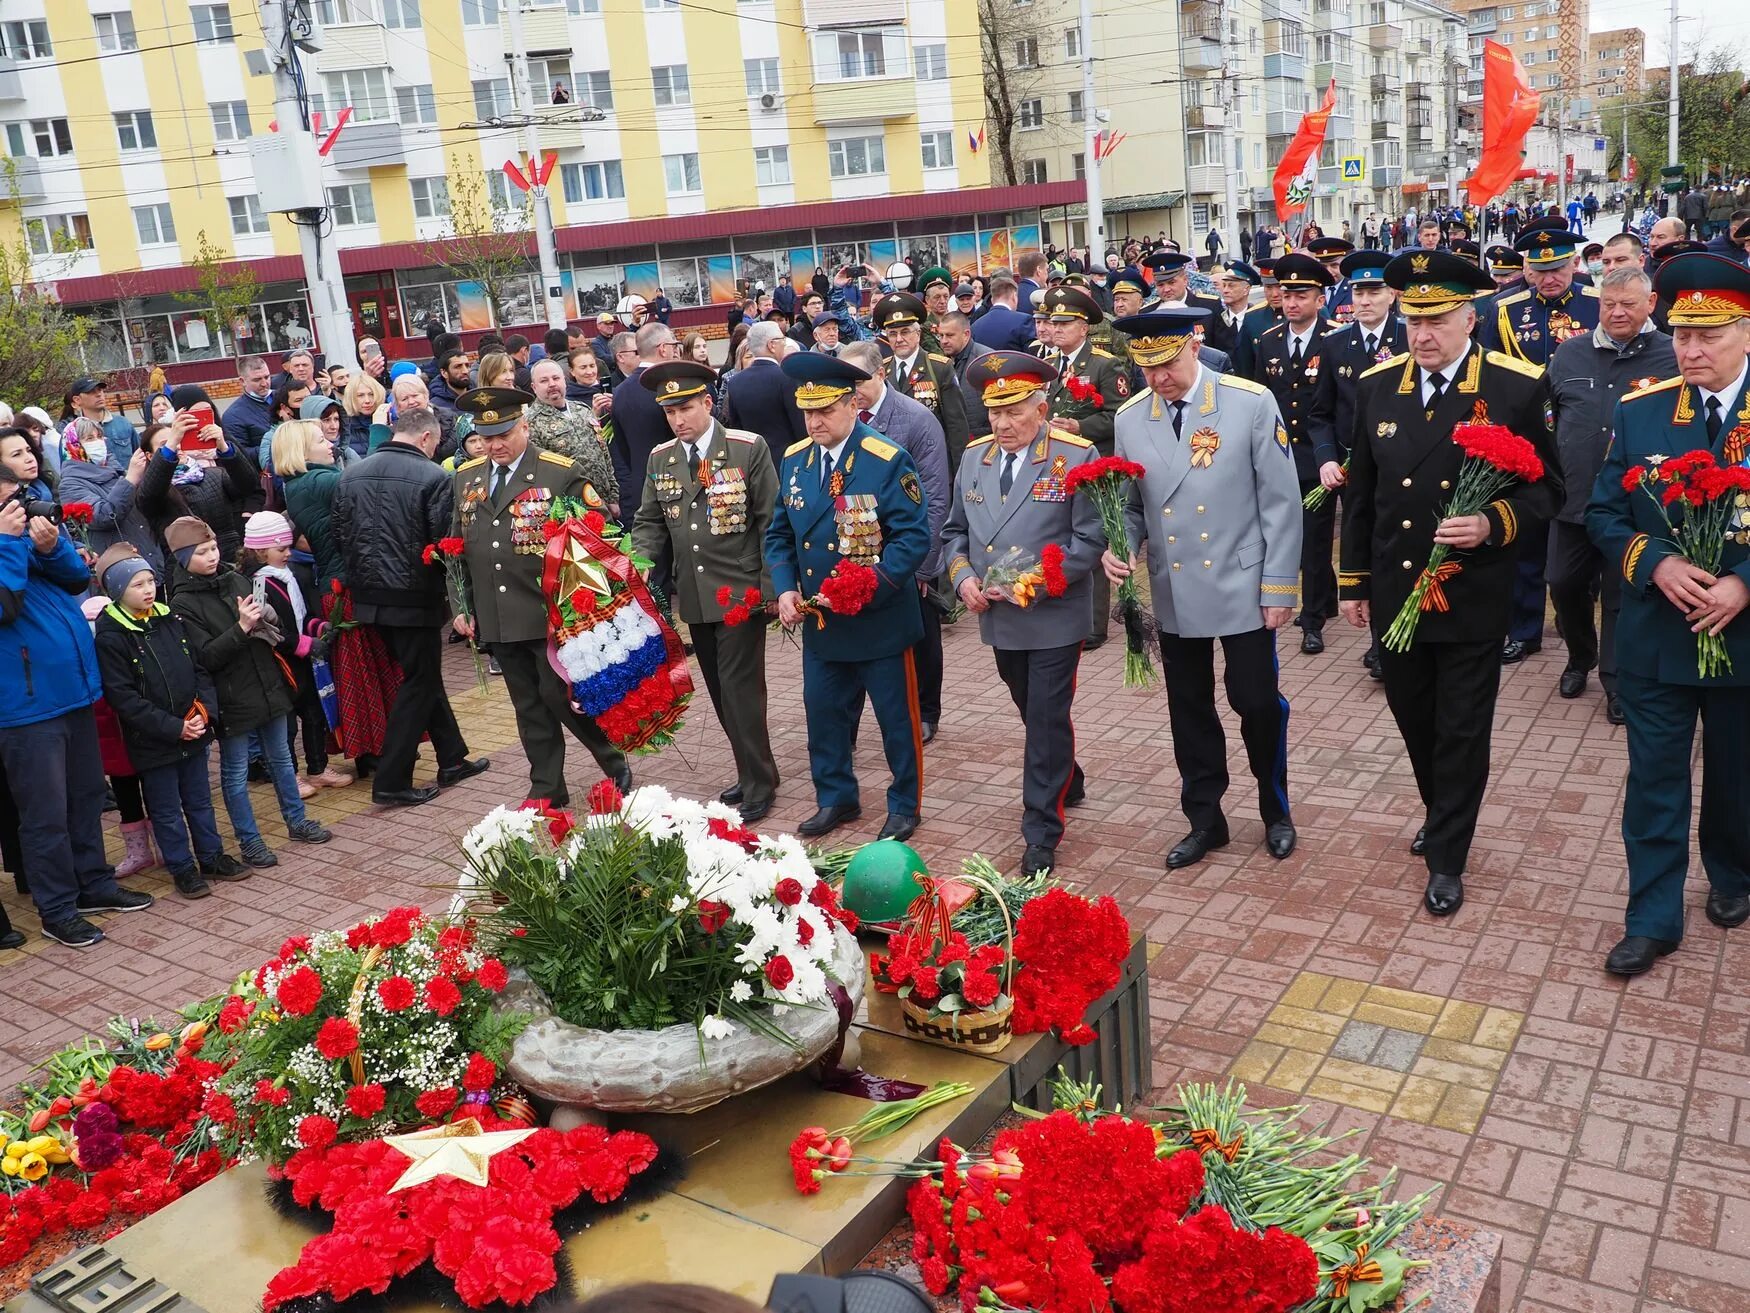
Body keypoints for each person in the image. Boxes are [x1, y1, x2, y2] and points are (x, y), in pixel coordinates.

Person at [1338, 251, 1562, 918]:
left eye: (1437, 319)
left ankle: (1448, 855)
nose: (1423, 334)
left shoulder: (1515, 387)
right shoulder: (1379, 386)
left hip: (1470, 593)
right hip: (1398, 590)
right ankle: (1442, 813)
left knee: (1461, 728)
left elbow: (1549, 490)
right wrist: (1353, 583)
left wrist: (1493, 523)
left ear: (1471, 316)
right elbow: (1363, 493)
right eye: (1414, 320)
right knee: (1414, 718)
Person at [1586, 251, 1750, 976]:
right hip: (1657, 635)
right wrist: (1654, 561)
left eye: (1708, 335)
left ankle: (1733, 872)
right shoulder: (1643, 409)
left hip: (1742, 635)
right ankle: (1652, 915)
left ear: (1747, 332)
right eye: (1682, 334)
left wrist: (1745, 581)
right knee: (1654, 780)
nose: (1689, 350)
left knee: (1737, 775)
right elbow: (1603, 511)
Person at [1101, 309, 1300, 868]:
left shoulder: (1249, 401)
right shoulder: (1131, 417)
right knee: (1188, 709)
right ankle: (1205, 819)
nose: (1159, 379)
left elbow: (1281, 502)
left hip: (1242, 580)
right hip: (1175, 586)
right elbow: (1131, 500)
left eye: (1167, 364)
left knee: (1256, 701)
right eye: (1147, 369)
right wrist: (1121, 541)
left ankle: (1274, 807)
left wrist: (1279, 587)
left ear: (1194, 344)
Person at [943, 352, 1104, 875]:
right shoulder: (974, 457)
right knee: (1030, 705)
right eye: (994, 412)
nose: (1003, 425)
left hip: (1054, 613)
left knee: (1044, 716)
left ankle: (1040, 829)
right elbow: (953, 532)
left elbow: (1089, 539)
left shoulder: (1075, 456)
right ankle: (1067, 775)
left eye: (1014, 411)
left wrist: (1032, 582)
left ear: (1042, 407)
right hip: (998, 617)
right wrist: (963, 575)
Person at [764, 352, 930, 841]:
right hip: (822, 622)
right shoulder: (796, 460)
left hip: (878, 621)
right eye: (807, 411)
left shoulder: (884, 459)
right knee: (824, 716)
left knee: (896, 723)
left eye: (826, 410)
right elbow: (779, 534)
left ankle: (904, 804)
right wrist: (787, 587)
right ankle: (836, 798)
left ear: (853, 405)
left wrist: (868, 586)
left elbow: (912, 538)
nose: (814, 421)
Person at [448, 387, 629, 809]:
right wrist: (461, 607)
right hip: (498, 613)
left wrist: (583, 606)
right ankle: (546, 786)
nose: (495, 445)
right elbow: (456, 548)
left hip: (550, 613)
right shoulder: (467, 477)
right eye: (487, 436)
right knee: (527, 705)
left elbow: (598, 538)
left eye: (504, 434)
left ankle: (612, 760)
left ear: (524, 426)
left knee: (561, 696)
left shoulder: (557, 472)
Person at [0, 482, 155, 947]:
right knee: (45, 815)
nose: (18, 506)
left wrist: (48, 547)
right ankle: (57, 908)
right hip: (25, 709)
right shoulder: (7, 542)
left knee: (86, 797)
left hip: (73, 694)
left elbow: (73, 580)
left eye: (18, 496)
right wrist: (7, 543)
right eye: (7, 497)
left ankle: (94, 884)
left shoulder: (24, 535)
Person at [629, 362, 779, 820]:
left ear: (708, 404)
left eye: (687, 408)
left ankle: (760, 782)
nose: (679, 419)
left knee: (740, 691)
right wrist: (634, 570)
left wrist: (771, 586)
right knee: (718, 690)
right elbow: (650, 522)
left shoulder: (745, 449)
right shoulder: (662, 458)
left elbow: (770, 520)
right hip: (694, 595)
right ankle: (750, 770)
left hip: (738, 593)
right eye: (670, 411)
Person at [330, 408, 488, 807]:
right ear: (425, 439)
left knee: (423, 676)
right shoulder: (433, 477)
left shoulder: (351, 475)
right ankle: (392, 779)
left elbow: (341, 534)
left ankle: (452, 757)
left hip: (369, 596)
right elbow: (441, 544)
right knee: (417, 683)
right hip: (414, 597)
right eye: (435, 444)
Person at [1546, 266, 1675, 724]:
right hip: (1573, 498)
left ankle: (1617, 682)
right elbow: (1549, 416)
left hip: (1635, 504)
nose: (1617, 312)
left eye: (1628, 304)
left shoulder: (1670, 355)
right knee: (1562, 583)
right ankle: (1580, 656)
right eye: (1608, 304)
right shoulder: (1570, 353)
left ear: (1651, 304)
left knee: (1621, 594)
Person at [167, 514, 332, 869]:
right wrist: (242, 627)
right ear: (183, 560)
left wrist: (266, 618)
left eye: (213, 548)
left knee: (283, 759)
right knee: (236, 773)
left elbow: (266, 628)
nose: (211, 557)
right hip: (231, 696)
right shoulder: (182, 603)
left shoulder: (236, 579)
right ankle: (250, 840)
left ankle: (297, 820)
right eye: (201, 553)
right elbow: (207, 656)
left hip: (266, 682)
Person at [92, 544, 246, 901]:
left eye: (150, 582)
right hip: (154, 741)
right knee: (166, 810)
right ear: (116, 591)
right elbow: (124, 698)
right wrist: (173, 727)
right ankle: (182, 868)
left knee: (200, 800)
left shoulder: (168, 618)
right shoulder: (112, 635)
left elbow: (198, 669)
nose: (148, 590)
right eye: (137, 585)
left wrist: (203, 713)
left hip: (193, 729)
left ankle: (210, 857)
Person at [841, 340, 951, 743]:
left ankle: (925, 711)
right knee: (850, 639)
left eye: (860, 380)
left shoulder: (915, 420)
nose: (852, 389)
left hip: (906, 552)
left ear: (882, 373)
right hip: (853, 547)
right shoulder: (843, 417)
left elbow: (937, 497)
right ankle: (846, 725)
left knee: (921, 638)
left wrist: (922, 565)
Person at [1248, 254, 1337, 653]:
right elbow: (1255, 399)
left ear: (1320, 298)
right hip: (1277, 455)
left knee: (1314, 540)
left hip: (1320, 457)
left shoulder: (1336, 338)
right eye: (1286, 295)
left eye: (1301, 295)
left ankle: (1313, 618)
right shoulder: (1266, 341)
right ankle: (1325, 599)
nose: (1292, 303)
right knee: (1282, 533)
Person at [238, 510, 353, 792]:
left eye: (288, 547)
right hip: (280, 662)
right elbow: (264, 628)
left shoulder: (290, 574)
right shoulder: (260, 583)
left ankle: (318, 768)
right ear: (261, 551)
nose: (287, 553)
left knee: (313, 713)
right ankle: (290, 777)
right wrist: (303, 644)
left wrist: (318, 627)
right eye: (281, 549)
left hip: (303, 660)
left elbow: (300, 614)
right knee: (287, 725)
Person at [871, 292, 973, 474]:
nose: (899, 339)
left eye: (905, 332)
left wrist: (961, 474)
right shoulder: (881, 372)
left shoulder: (939, 368)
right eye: (892, 333)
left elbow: (956, 426)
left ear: (918, 334)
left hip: (933, 466)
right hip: (894, 469)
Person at [58, 422, 159, 576]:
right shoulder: (70, 484)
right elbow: (104, 516)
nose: (98, 442)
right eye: (89, 438)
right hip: (121, 571)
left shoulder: (114, 470)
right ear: (73, 445)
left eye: (99, 436)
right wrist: (130, 480)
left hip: (148, 559)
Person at [527, 358, 619, 513]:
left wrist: (613, 497)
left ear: (565, 380)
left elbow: (603, 453)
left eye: (556, 378)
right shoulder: (530, 422)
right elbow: (536, 472)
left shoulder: (582, 410)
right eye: (544, 381)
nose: (552, 384)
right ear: (534, 387)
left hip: (603, 503)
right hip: (569, 507)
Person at [723, 322, 810, 467]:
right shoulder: (787, 377)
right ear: (771, 345)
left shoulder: (735, 383)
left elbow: (737, 430)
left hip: (753, 463)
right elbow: (800, 427)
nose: (784, 343)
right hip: (789, 462)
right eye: (782, 339)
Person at [608, 323, 679, 499]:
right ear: (663, 349)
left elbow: (622, 446)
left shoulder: (619, 391)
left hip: (642, 483)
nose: (675, 351)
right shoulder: (670, 385)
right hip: (677, 480)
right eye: (673, 345)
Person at [58, 377, 139, 473]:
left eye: (100, 390)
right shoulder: (72, 433)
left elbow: (140, 455)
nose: (99, 394)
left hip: (129, 484)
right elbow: (68, 470)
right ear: (77, 400)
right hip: (93, 486)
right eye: (91, 391)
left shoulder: (123, 423)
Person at [935, 310, 993, 439]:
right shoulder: (942, 362)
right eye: (941, 336)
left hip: (983, 439)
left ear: (966, 334)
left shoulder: (986, 361)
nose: (944, 341)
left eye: (950, 335)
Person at [222, 357, 277, 455]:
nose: (264, 383)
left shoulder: (285, 398)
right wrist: (279, 448)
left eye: (267, 377)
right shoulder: (233, 416)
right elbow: (241, 455)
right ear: (242, 381)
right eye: (257, 380)